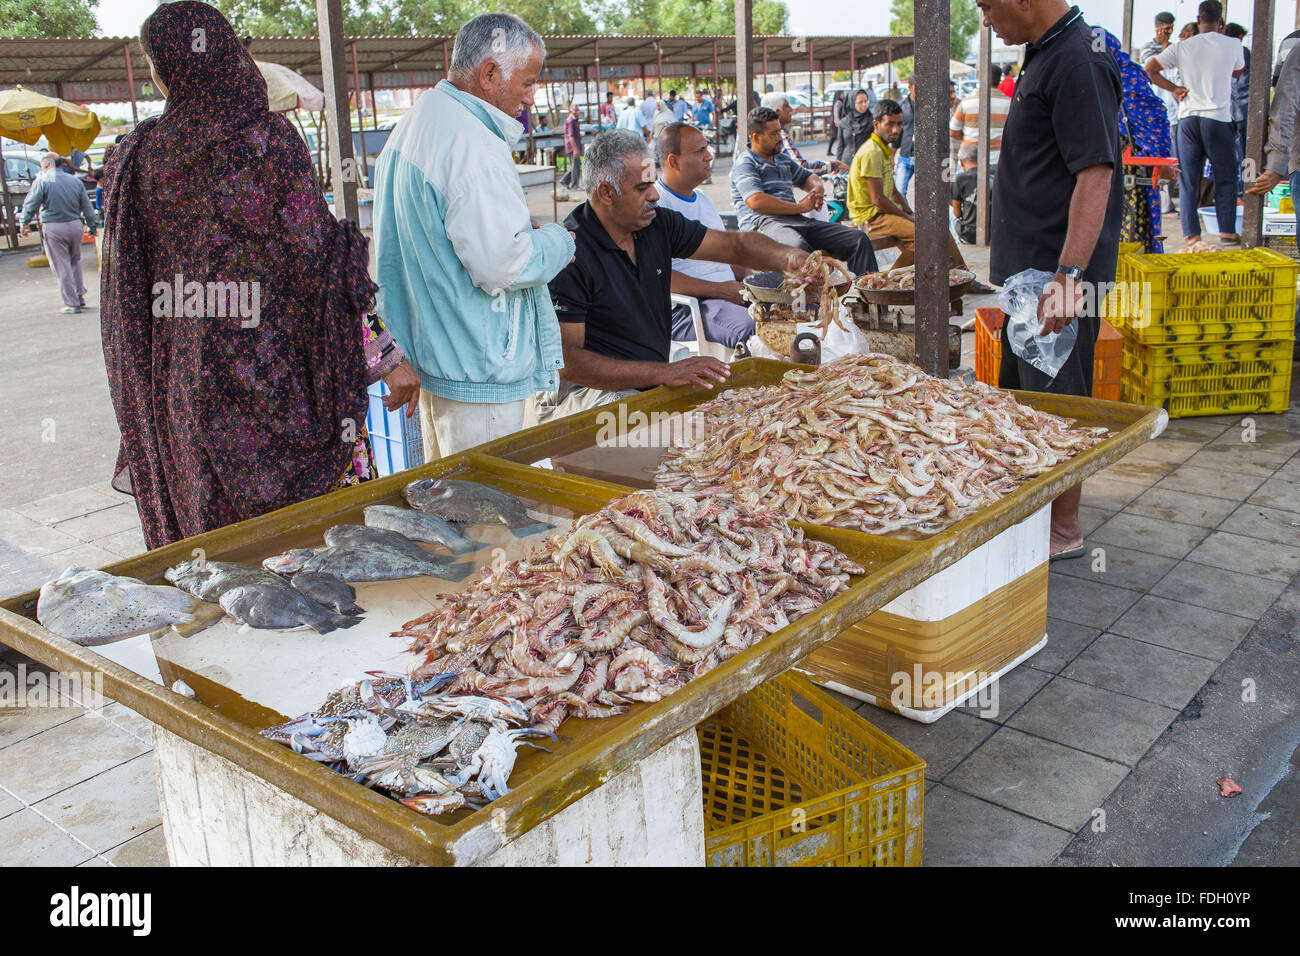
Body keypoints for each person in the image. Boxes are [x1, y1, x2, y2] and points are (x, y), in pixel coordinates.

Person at [102, 1, 416, 549]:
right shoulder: (268, 140)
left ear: (164, 69)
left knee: (221, 547)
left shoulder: (137, 156)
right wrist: (384, 358)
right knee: (317, 539)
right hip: (277, 380)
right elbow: (319, 264)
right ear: (229, 55)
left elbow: (128, 290)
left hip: (184, 389)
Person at [373, 12, 574, 461]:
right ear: (489, 74)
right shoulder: (471, 144)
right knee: (488, 501)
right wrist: (559, 242)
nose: (531, 95)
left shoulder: (418, 122)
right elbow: (504, 264)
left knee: (450, 496)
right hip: (478, 379)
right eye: (528, 81)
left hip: (437, 363)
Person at [534, 129, 808, 423]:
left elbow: (735, 246)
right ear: (606, 193)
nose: (654, 195)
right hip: (580, 394)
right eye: (642, 188)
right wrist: (664, 372)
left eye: (652, 183)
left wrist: (793, 259)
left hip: (646, 381)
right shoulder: (569, 252)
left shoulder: (656, 224)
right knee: (656, 430)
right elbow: (568, 362)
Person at [981, 0, 1123, 560]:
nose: (986, 20)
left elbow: (1096, 174)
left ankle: (1063, 528)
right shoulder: (1046, 53)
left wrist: (1068, 276)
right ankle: (1036, 513)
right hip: (1031, 279)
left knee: (1057, 407)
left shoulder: (1077, 58)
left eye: (986, 6)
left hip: (1054, 279)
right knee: (1028, 405)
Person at [847, 100, 982, 283]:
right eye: (890, 124)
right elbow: (878, 199)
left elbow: (893, 192)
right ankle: (885, 282)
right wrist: (907, 217)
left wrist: (909, 212)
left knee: (937, 228)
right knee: (925, 236)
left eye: (899, 124)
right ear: (876, 124)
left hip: (882, 215)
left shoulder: (882, 150)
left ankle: (962, 278)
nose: (896, 130)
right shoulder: (872, 152)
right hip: (871, 218)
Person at [733, 106, 878, 275]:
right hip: (762, 225)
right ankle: (818, 293)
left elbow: (808, 177)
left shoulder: (782, 159)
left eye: (780, 132)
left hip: (796, 221)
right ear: (756, 137)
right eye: (774, 134)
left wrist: (817, 190)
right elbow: (756, 202)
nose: (780, 138)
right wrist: (800, 207)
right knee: (799, 251)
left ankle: (869, 291)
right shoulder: (746, 163)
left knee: (858, 239)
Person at [1145, 0, 1244, 244]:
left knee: (1188, 179)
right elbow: (1237, 71)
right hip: (1217, 120)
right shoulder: (1233, 43)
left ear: (1198, 20)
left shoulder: (1182, 46)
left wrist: (1174, 88)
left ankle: (1191, 235)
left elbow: (1150, 69)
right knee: (1225, 176)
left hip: (1188, 119)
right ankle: (1226, 231)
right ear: (1221, 23)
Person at [655, 123, 756, 349]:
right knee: (754, 329)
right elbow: (658, 276)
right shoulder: (656, 206)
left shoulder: (702, 198)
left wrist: (752, 280)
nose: (709, 156)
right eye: (700, 151)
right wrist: (722, 290)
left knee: (791, 307)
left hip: (725, 297)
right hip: (687, 309)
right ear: (673, 161)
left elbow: (724, 255)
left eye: (706, 148)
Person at [1102, 29, 1173, 253]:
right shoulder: (1093, 75)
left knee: (1131, 230)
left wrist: (1161, 158)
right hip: (1105, 164)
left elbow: (1153, 117)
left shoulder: (1126, 75)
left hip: (1131, 167)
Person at [19, 152, 97, 314]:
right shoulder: (75, 181)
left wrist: (24, 223)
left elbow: (31, 204)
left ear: (47, 164)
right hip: (75, 225)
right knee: (76, 261)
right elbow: (87, 206)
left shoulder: (43, 180)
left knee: (62, 265)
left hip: (54, 227)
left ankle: (72, 303)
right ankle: (80, 297)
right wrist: (92, 226)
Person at [761, 91, 847, 173]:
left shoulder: (764, 133)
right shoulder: (780, 135)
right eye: (786, 106)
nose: (791, 109)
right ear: (777, 112)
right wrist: (833, 165)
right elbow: (802, 168)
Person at [950, 64, 1012, 168]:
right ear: (999, 79)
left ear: (980, 78)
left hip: (970, 162)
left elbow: (953, 131)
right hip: (999, 161)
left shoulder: (967, 103)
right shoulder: (1009, 104)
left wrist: (970, 139)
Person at [1225, 23, 1250, 175]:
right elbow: (1245, 83)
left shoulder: (1220, 51)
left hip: (1225, 110)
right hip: (1242, 109)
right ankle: (1245, 183)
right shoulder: (1242, 51)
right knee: (1245, 151)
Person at [950, 143, 983, 244]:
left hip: (968, 232)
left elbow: (957, 213)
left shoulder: (960, 178)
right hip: (991, 230)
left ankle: (957, 244)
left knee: (948, 210)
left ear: (961, 161)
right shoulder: (992, 174)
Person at [834, 89, 875, 167]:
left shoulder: (872, 121)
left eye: (866, 101)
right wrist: (837, 165)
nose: (864, 104)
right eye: (860, 102)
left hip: (867, 165)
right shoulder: (844, 123)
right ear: (852, 103)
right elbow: (840, 146)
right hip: (847, 165)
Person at [895, 75, 916, 199]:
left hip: (923, 155)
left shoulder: (928, 106)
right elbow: (897, 132)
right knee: (899, 192)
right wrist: (891, 155)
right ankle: (908, 212)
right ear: (910, 87)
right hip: (905, 155)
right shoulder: (902, 106)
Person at [561, 100, 583, 190]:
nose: (577, 112)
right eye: (575, 110)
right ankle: (574, 185)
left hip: (576, 145)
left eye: (578, 110)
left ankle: (565, 180)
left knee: (576, 165)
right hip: (572, 146)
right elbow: (570, 136)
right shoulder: (570, 121)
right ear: (571, 111)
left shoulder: (575, 120)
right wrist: (575, 149)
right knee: (575, 166)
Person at [827, 89, 847, 157]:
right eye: (842, 94)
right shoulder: (838, 103)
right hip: (836, 122)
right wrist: (837, 121)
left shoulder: (840, 102)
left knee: (834, 137)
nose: (843, 95)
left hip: (836, 121)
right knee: (835, 137)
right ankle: (830, 151)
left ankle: (829, 151)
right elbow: (836, 112)